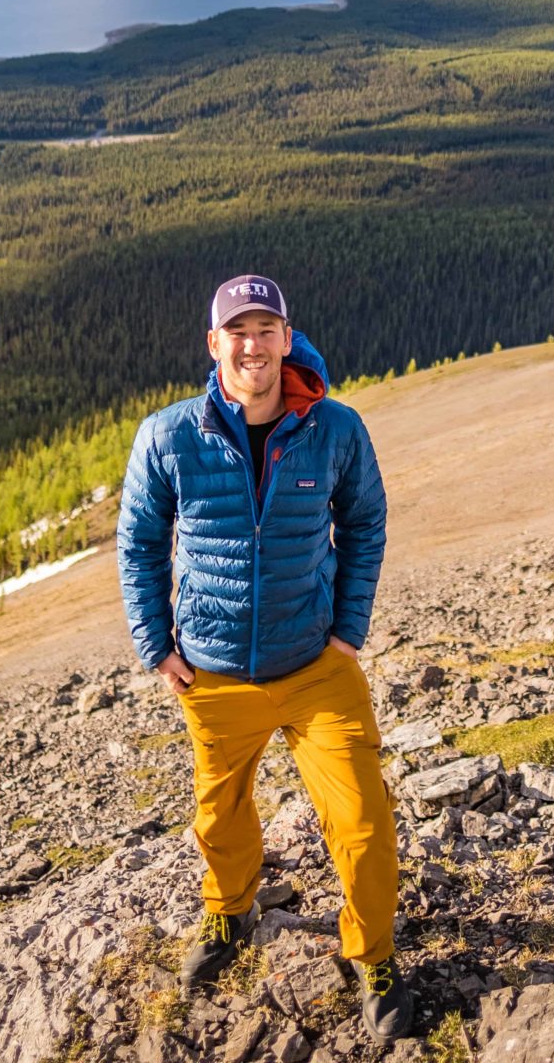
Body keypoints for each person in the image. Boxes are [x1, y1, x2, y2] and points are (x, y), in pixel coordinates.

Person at [117, 273, 413, 1043]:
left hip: (316, 666)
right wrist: (157, 645)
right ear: (214, 344)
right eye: (236, 331)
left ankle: (372, 954)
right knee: (219, 818)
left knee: (362, 820)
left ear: (288, 339)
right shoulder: (169, 434)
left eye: (266, 329)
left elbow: (366, 523)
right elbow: (141, 543)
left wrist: (348, 629)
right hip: (214, 674)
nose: (252, 345)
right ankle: (228, 913)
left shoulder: (336, 429)